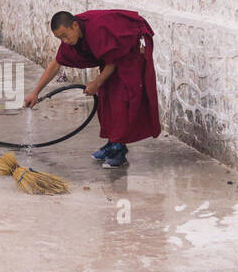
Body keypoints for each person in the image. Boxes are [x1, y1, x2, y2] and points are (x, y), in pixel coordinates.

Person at [24, 9, 161, 168]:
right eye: (59, 38)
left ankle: (119, 150)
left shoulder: (97, 30)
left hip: (134, 44)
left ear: (75, 25)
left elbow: (115, 59)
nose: (65, 41)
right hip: (115, 52)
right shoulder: (72, 37)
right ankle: (113, 143)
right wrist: (35, 93)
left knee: (121, 96)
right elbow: (56, 64)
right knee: (106, 94)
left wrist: (96, 82)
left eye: (65, 35)